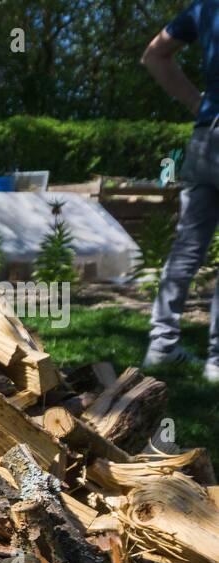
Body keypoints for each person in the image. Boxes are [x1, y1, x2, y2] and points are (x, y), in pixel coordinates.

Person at [142, 6, 219, 382]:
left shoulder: (205, 7)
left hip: (207, 136)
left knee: (187, 246)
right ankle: (216, 362)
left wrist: (196, 103)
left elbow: (154, 55)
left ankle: (161, 346)